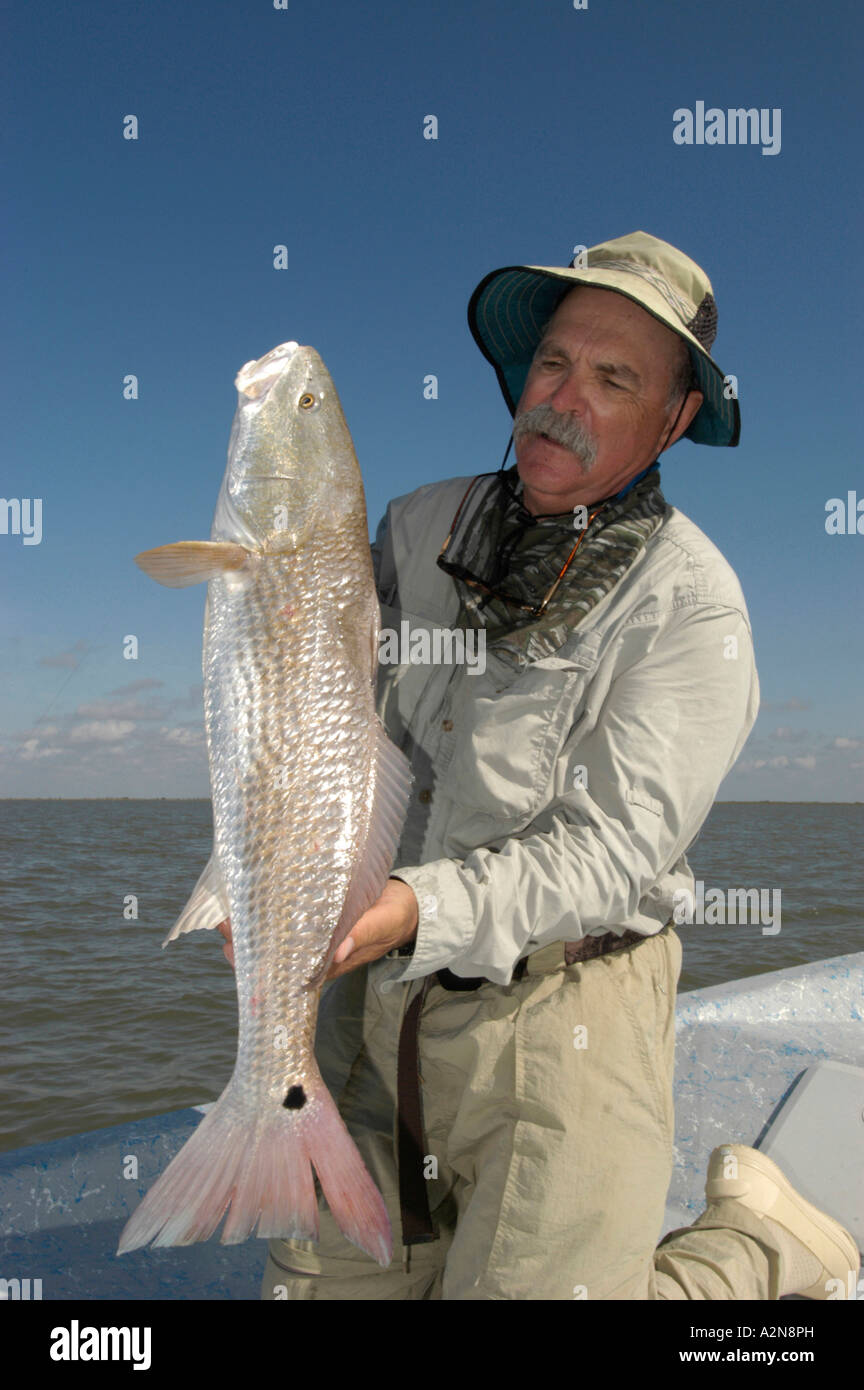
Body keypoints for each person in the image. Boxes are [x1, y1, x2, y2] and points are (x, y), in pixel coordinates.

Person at [226, 231, 859, 1299]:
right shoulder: (417, 525)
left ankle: (755, 1245)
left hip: (566, 1013)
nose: (564, 396)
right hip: (375, 1007)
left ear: (676, 417)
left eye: (615, 378)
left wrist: (406, 907)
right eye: (556, 362)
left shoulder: (694, 604)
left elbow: (611, 853)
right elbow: (311, 717)